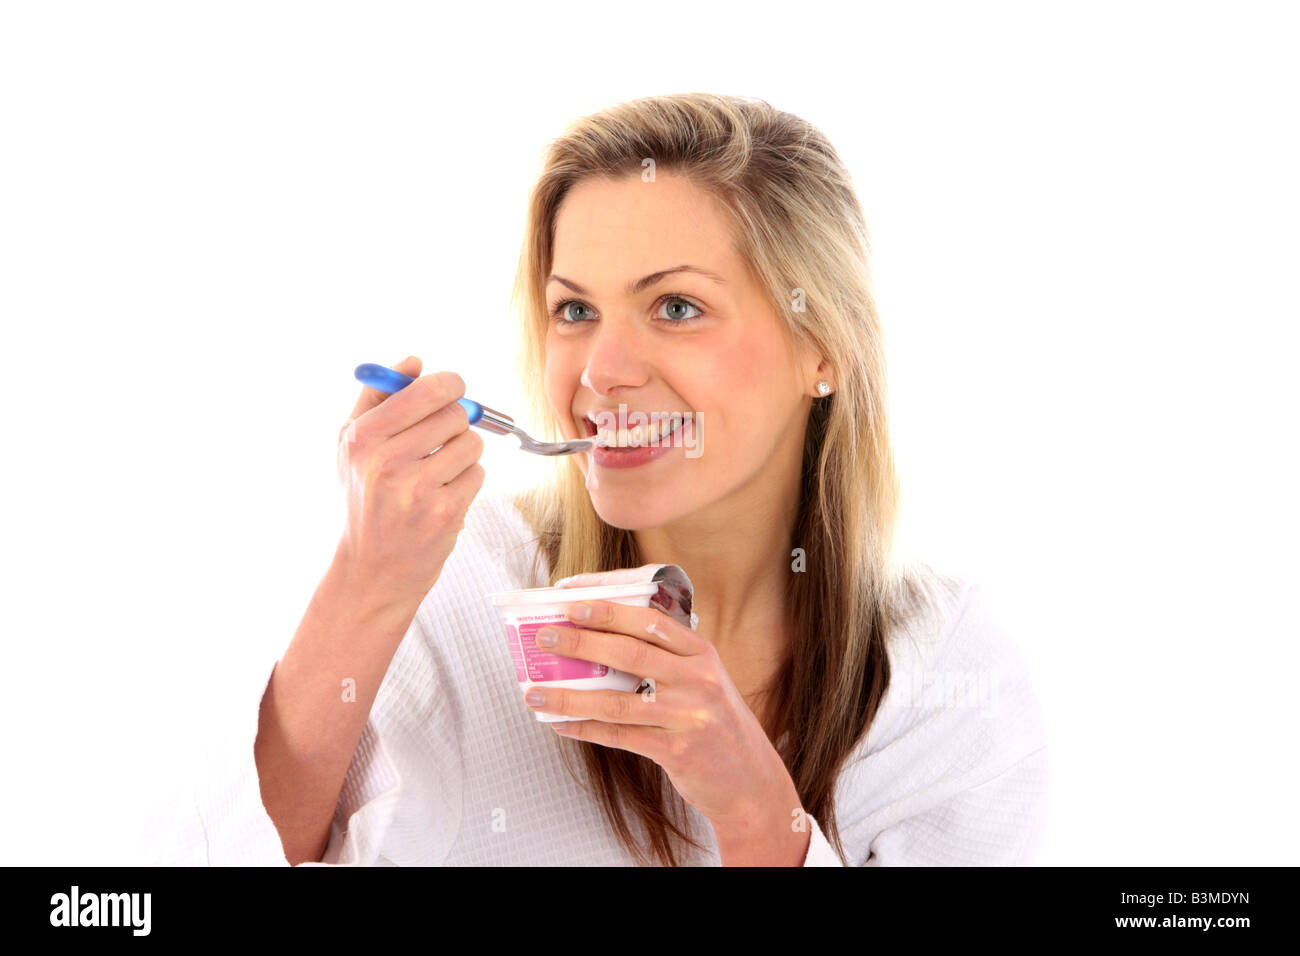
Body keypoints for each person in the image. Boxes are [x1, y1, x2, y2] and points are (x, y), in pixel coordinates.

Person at [156, 92, 1048, 866]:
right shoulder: (465, 585)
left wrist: (756, 817)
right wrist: (367, 583)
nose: (602, 371)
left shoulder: (946, 668)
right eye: (575, 309)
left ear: (825, 348)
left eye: (676, 307)